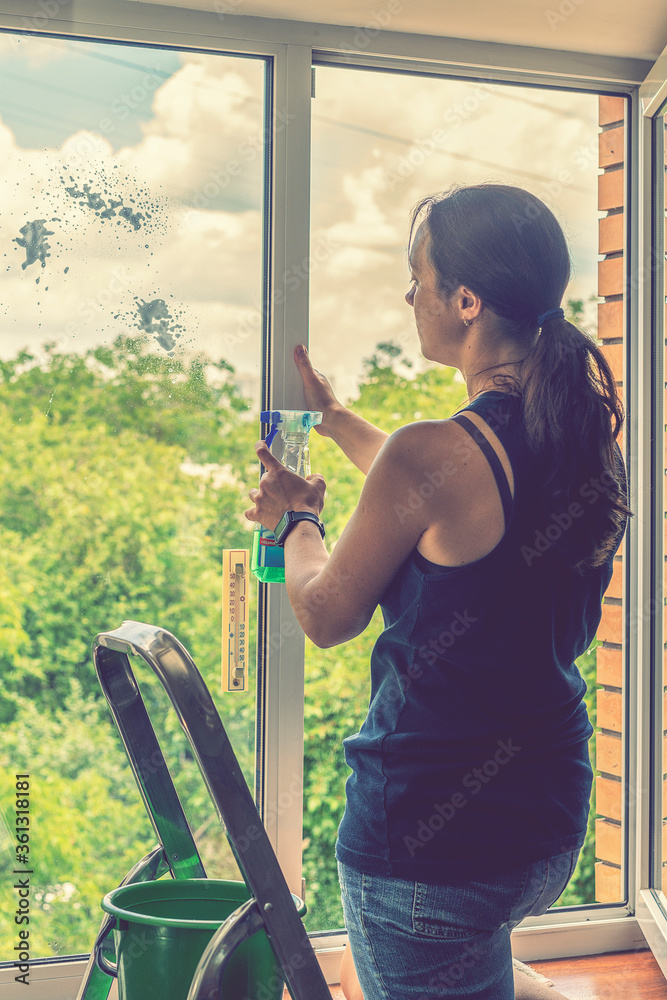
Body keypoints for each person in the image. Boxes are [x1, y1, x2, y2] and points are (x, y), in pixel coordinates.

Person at [244, 183, 631, 1000]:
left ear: (464, 300)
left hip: (431, 849)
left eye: (415, 276)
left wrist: (295, 522)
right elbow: (450, 504)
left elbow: (324, 614)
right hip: (544, 828)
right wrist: (340, 418)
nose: (407, 294)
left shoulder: (435, 457)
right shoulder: (579, 435)